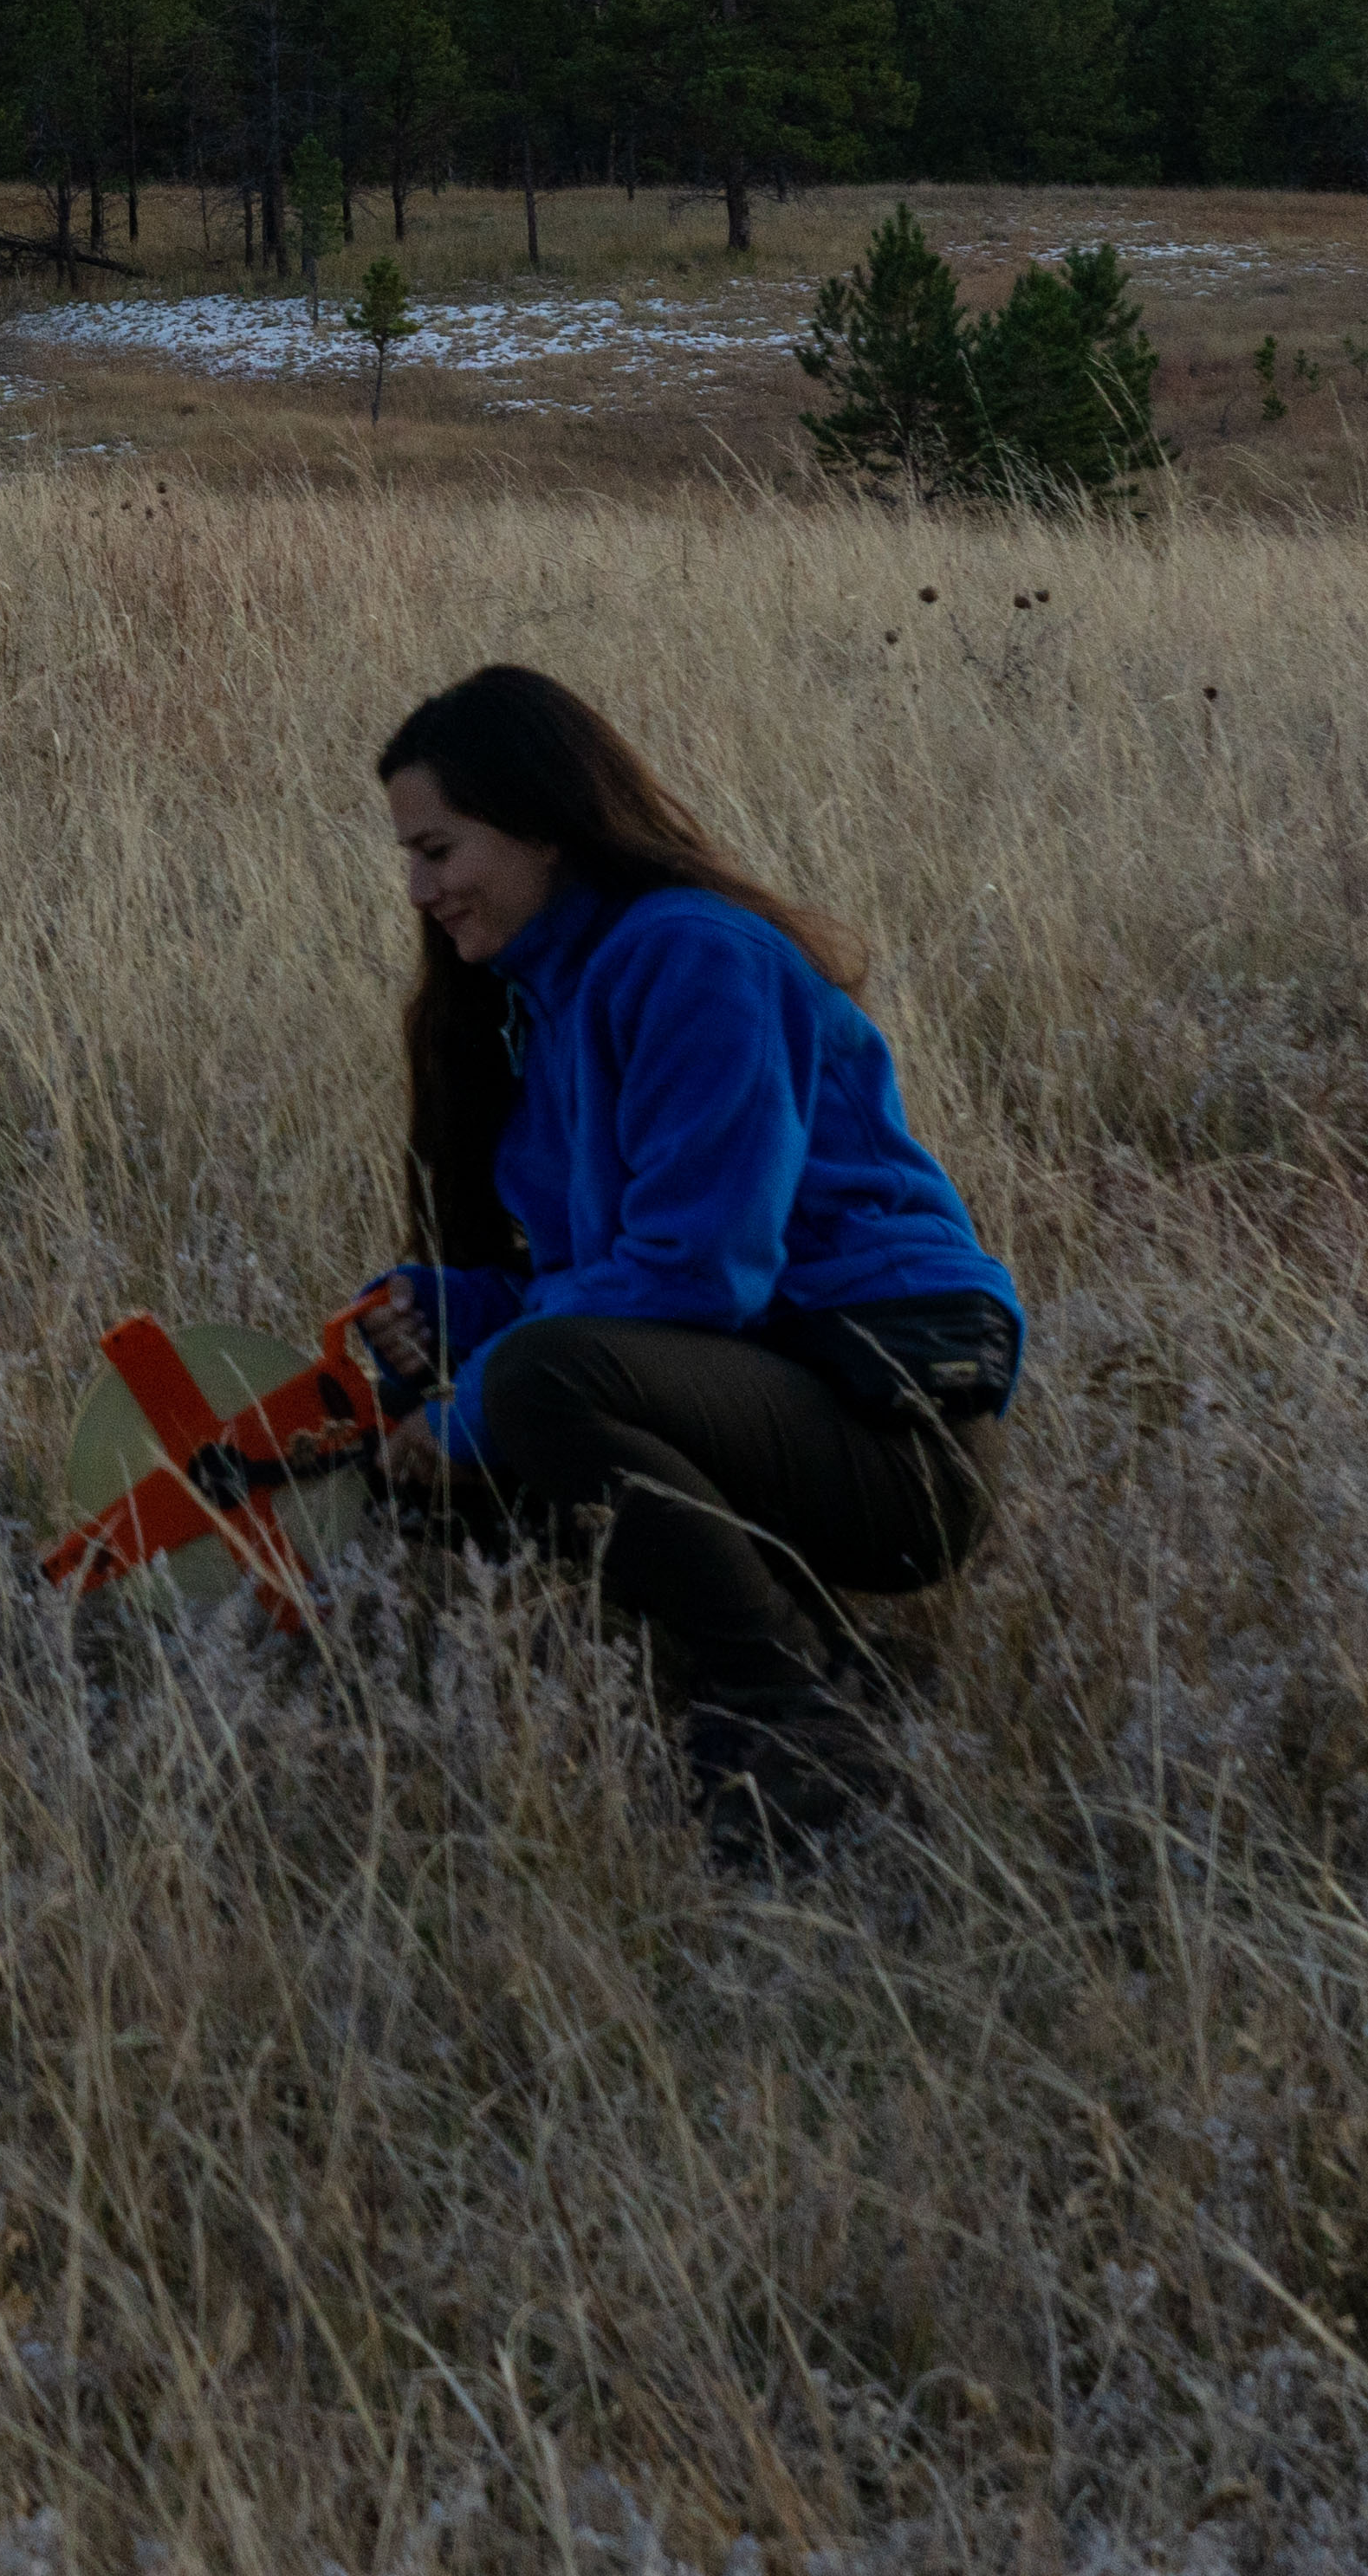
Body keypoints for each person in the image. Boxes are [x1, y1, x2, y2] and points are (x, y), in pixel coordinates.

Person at [340, 663, 1027, 1858]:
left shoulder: (692, 955)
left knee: (532, 1389)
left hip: (897, 1438)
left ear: (541, 822)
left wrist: (479, 1400)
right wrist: (459, 1313)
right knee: (455, 1434)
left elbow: (704, 1275)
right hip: (774, 1397)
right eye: (410, 857)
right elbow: (612, 1278)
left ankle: (790, 1729)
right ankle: (846, 1669)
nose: (421, 891)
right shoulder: (546, 1005)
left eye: (440, 850)